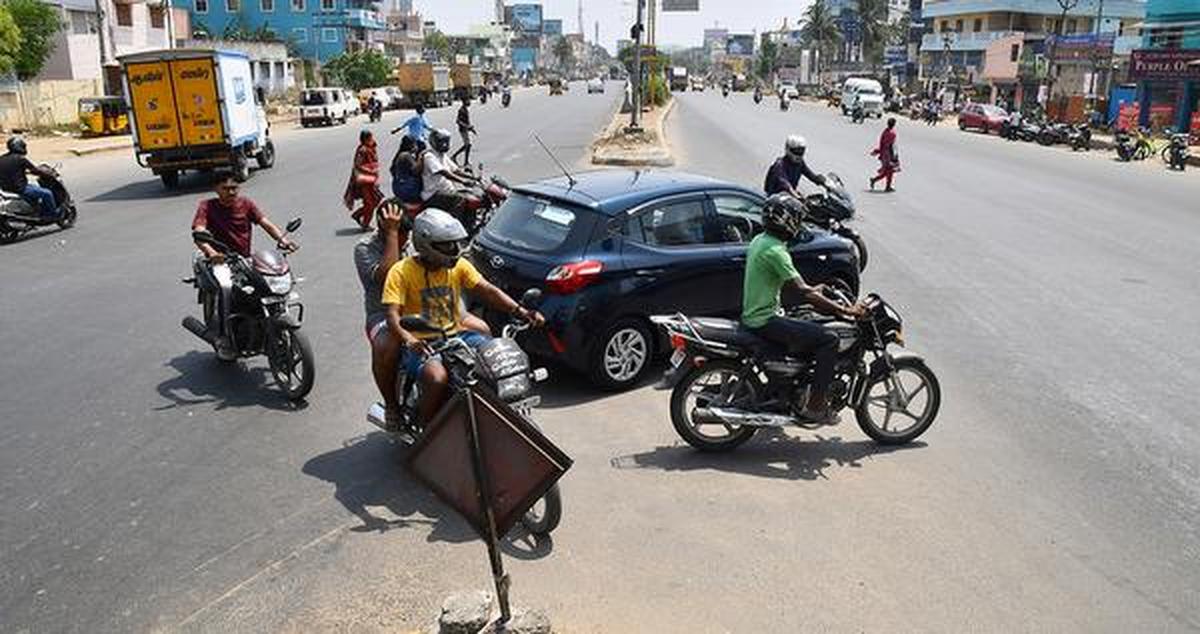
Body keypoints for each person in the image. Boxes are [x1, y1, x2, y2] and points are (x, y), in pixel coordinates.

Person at [382, 209, 544, 426]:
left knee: (496, 360)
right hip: (423, 344)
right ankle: (427, 426)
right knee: (436, 377)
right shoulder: (401, 271)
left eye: (456, 244)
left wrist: (520, 310)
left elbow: (487, 290)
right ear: (425, 243)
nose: (455, 251)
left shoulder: (459, 265)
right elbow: (392, 314)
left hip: (457, 336)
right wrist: (408, 339)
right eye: (446, 245)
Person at [355, 203, 490, 429]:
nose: (406, 240)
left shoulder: (416, 242)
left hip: (430, 306)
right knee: (386, 345)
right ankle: (392, 406)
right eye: (401, 233)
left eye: (407, 234)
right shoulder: (364, 247)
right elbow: (387, 276)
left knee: (482, 329)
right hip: (384, 313)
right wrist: (391, 234)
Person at [741, 194, 866, 423]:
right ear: (787, 221)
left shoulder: (761, 240)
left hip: (759, 313)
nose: (799, 224)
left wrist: (817, 290)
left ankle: (794, 385)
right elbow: (802, 291)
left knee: (807, 320)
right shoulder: (776, 251)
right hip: (765, 319)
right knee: (828, 339)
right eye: (797, 218)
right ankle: (816, 406)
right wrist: (844, 310)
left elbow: (796, 287)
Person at [192, 172, 296, 359]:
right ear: (216, 189)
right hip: (220, 260)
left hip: (243, 259)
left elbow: (265, 223)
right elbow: (199, 231)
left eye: (234, 188)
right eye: (226, 188)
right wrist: (212, 253)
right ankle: (224, 337)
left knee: (266, 282)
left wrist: (282, 239)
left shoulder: (246, 204)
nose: (231, 192)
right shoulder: (207, 206)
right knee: (226, 288)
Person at [421, 128, 478, 218]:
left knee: (472, 195)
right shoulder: (430, 156)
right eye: (441, 142)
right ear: (434, 142)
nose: (444, 145)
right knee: (461, 199)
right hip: (433, 194)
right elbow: (444, 173)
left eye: (446, 142)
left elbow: (456, 170)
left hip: (446, 191)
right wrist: (463, 181)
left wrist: (473, 177)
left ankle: (470, 222)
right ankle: (453, 223)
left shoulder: (442, 155)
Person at [0, 137, 58, 219]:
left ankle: (35, 210)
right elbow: (35, 170)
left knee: (35, 189)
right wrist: (49, 175)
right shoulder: (20, 159)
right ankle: (51, 215)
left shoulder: (2, 159)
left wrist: (25, 172)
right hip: (21, 188)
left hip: (7, 189)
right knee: (47, 193)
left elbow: (12, 171)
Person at [344, 130, 384, 230]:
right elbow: (358, 165)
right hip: (365, 180)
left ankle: (358, 214)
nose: (372, 140)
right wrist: (370, 171)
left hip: (372, 180)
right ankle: (365, 224)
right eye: (370, 138)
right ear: (365, 139)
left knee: (376, 200)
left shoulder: (371, 147)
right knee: (369, 203)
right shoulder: (362, 150)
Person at [390, 135, 424, 203]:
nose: (416, 147)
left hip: (397, 187)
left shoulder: (400, 154)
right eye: (415, 144)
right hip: (407, 190)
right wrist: (421, 157)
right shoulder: (406, 155)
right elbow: (416, 171)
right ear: (411, 145)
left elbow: (392, 170)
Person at [870, 118, 900, 192]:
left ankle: (887, 186)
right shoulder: (892, 133)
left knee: (889, 172)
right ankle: (875, 180)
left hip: (884, 154)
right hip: (889, 155)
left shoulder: (885, 131)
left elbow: (882, 143)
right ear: (894, 124)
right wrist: (894, 157)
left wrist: (878, 151)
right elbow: (891, 146)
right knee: (888, 171)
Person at [450, 97, 477, 166]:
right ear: (464, 101)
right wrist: (467, 126)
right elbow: (458, 121)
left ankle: (460, 158)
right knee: (468, 145)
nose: (469, 102)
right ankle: (460, 159)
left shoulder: (465, 109)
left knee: (468, 145)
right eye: (468, 100)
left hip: (465, 129)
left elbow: (467, 121)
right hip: (463, 129)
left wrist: (471, 128)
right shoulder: (461, 110)